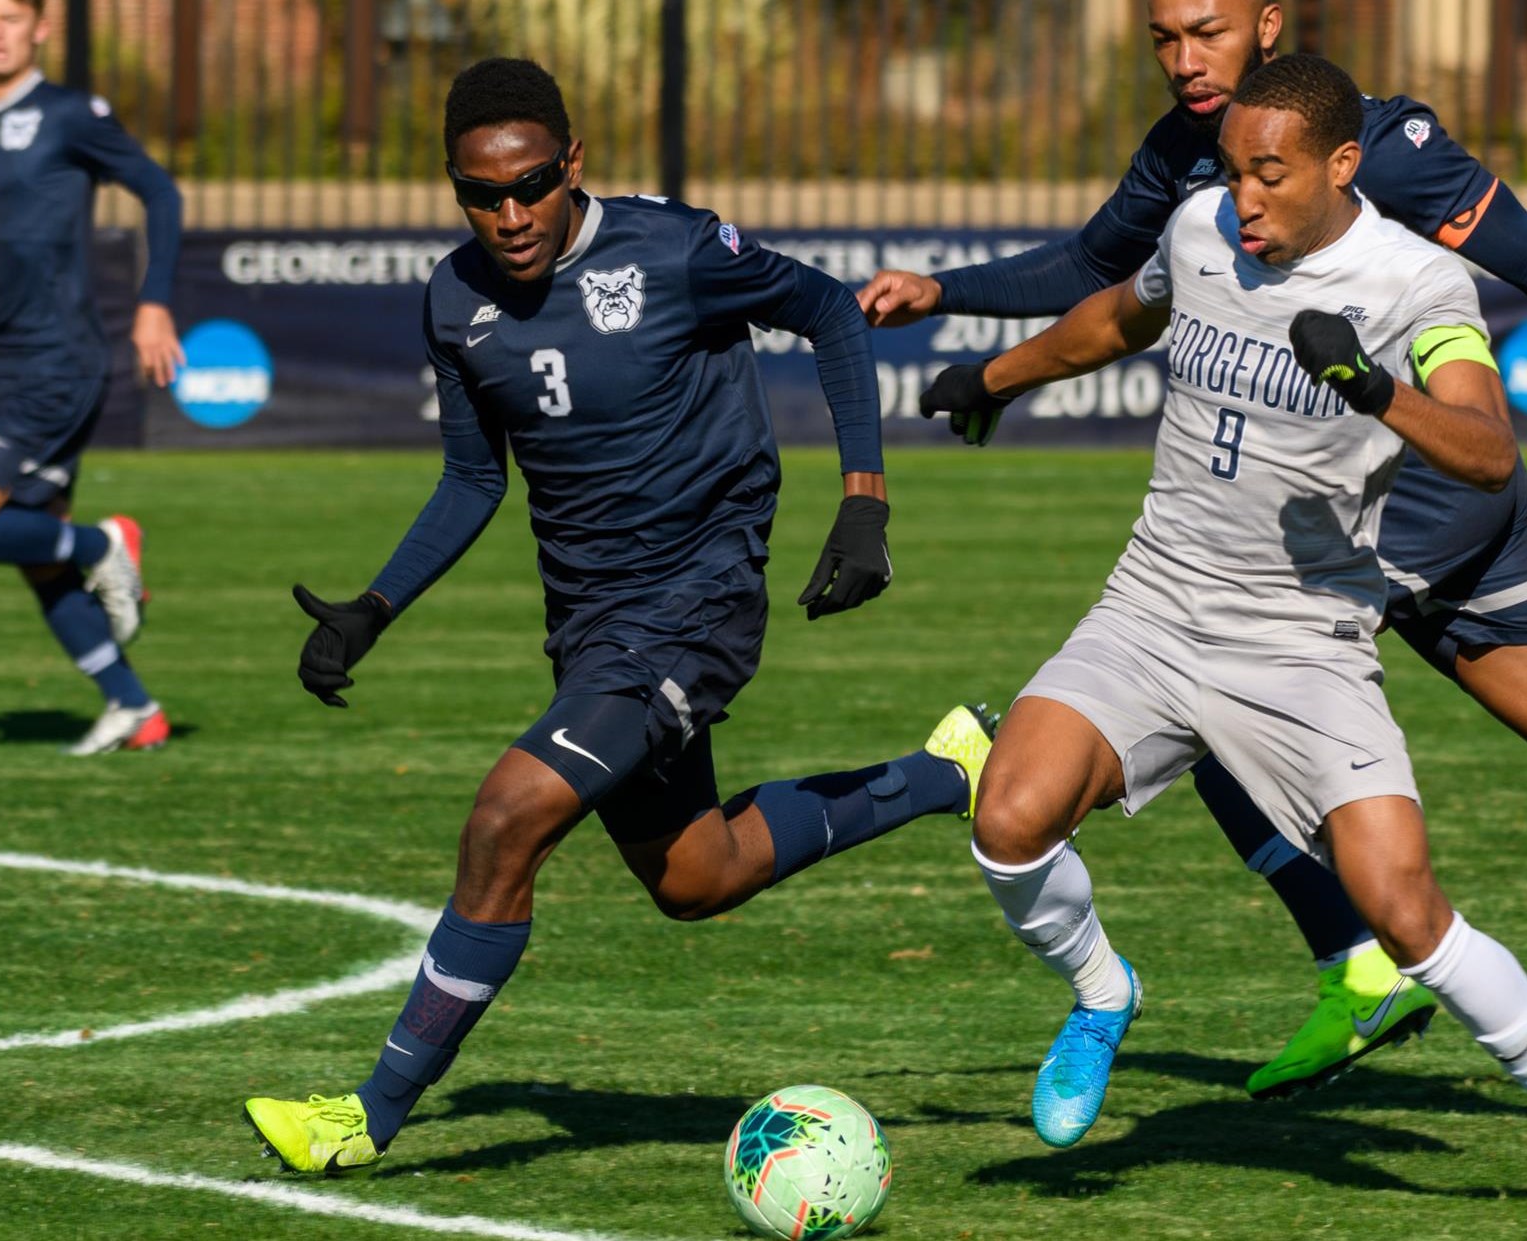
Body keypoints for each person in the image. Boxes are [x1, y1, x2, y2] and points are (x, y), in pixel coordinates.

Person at [875, 0, 1527, 1112]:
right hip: (1398, 504)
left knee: (1222, 666)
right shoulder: (1191, 152)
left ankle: (1360, 962)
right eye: (1164, 39)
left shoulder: (1383, 150)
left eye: (1208, 31)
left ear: (1269, 27)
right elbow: (1098, 272)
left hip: (1408, 496)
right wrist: (954, 307)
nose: (1187, 61)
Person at [241, 58, 996, 1174]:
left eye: (531, 185)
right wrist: (373, 607)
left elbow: (829, 311)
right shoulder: (454, 300)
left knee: (505, 820)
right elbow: (471, 480)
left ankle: (366, 1112)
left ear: (572, 161)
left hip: (697, 599)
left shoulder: (676, 250)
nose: (509, 215)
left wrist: (864, 504)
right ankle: (950, 768)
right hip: (593, 624)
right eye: (480, 195)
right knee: (699, 874)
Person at [929, 54, 1527, 1214]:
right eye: (1232, 170)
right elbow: (1121, 311)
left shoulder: (1415, 285)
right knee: (1008, 820)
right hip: (1152, 605)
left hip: (1299, 640)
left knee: (1400, 907)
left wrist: (1372, 389)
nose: (1244, 195)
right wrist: (993, 377)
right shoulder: (1203, 226)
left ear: (1341, 165)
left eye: (1271, 173)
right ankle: (1104, 994)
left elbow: (1486, 449)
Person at [0, 0, 180, 754]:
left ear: (40, 28)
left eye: (8, 16)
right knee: (36, 554)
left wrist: (154, 303)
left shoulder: (70, 114)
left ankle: (101, 547)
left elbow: (161, 192)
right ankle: (133, 706)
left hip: (50, 361)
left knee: (41, 542)